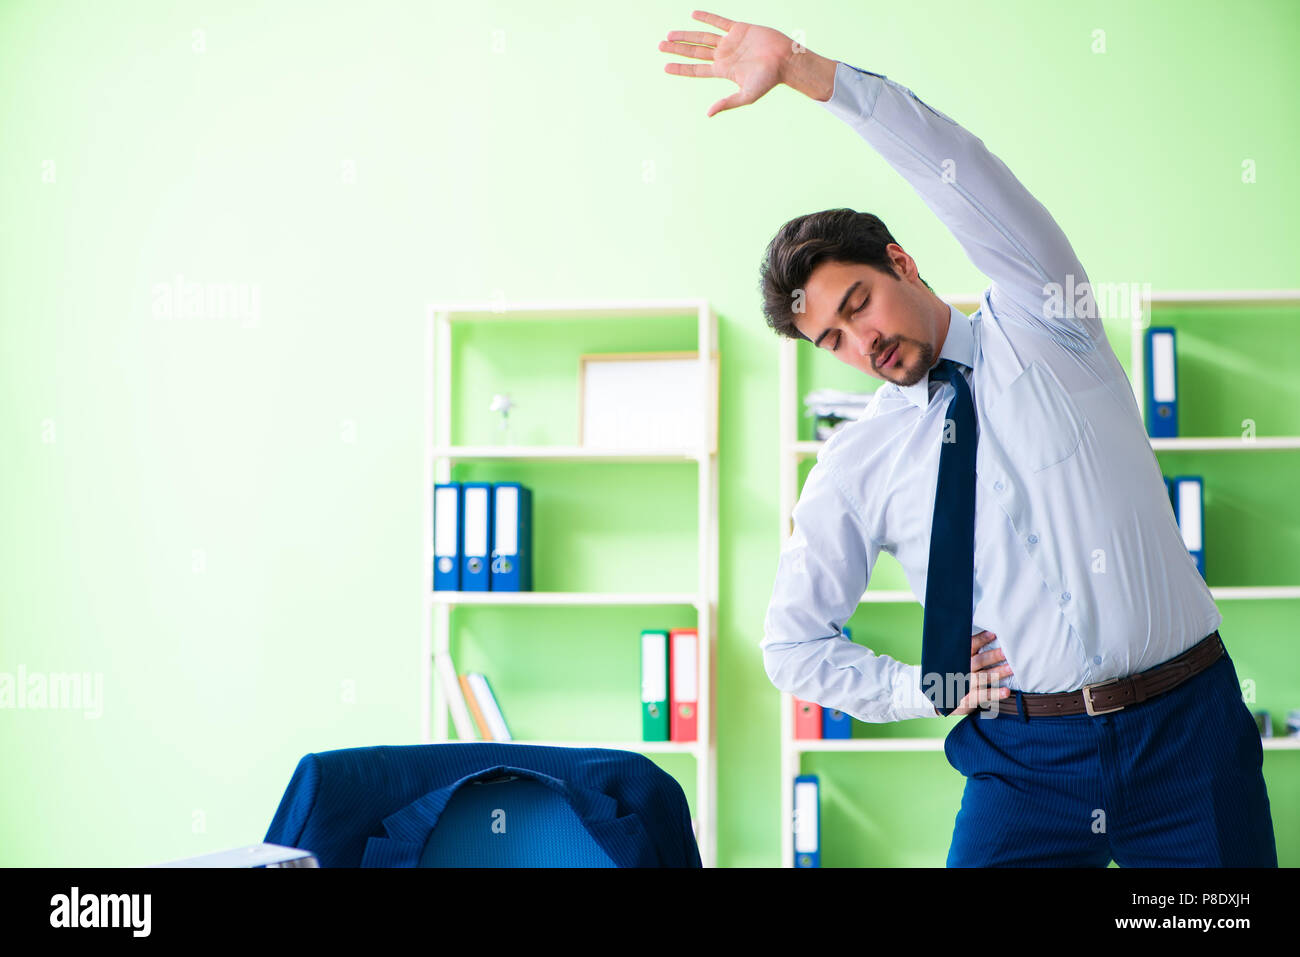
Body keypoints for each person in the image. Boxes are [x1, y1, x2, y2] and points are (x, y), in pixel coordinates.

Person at [660, 10, 1277, 867]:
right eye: (831, 341)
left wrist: (807, 71)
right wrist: (922, 686)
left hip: (1188, 733)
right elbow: (792, 645)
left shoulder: (1047, 321)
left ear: (902, 262)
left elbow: (969, 177)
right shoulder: (858, 461)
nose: (859, 343)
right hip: (1024, 764)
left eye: (858, 304)